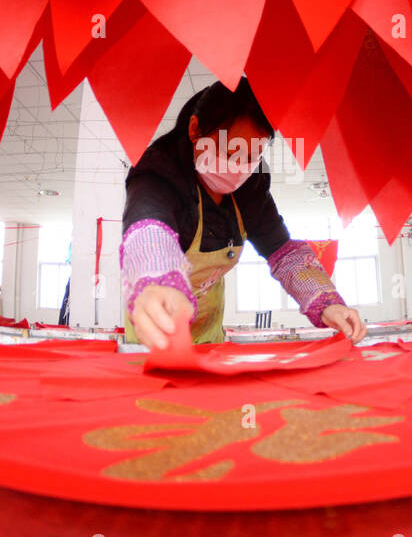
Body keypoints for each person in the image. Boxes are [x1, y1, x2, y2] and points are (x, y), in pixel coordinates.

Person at [121, 78, 367, 350]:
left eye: (252, 157)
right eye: (231, 152)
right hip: (152, 337)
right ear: (195, 130)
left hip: (209, 340)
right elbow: (149, 228)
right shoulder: (158, 172)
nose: (238, 168)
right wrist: (157, 281)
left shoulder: (251, 186)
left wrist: (327, 304)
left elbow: (283, 252)